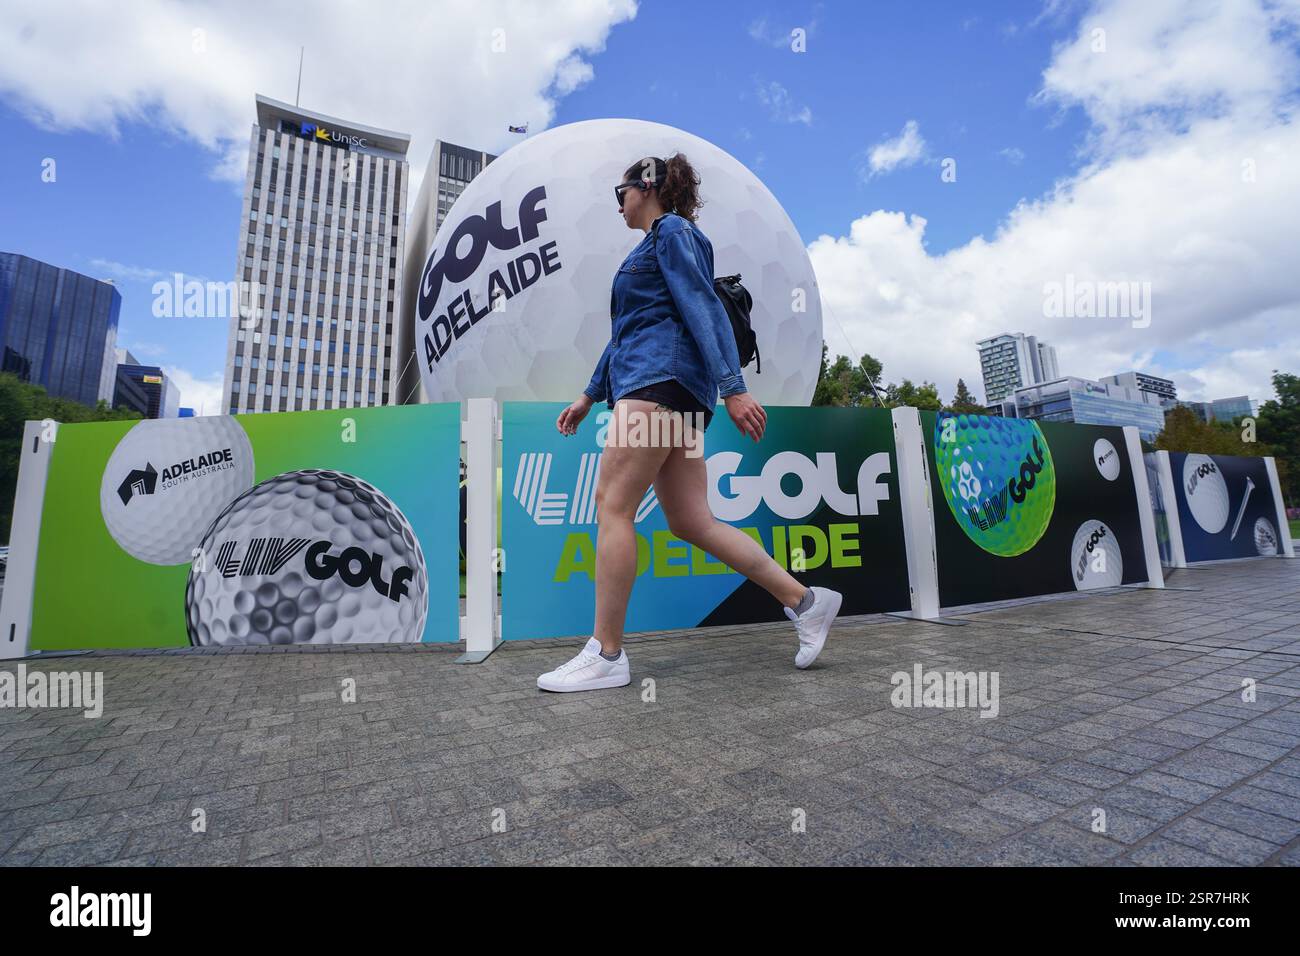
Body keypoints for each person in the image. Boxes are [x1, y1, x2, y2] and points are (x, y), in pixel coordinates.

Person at [536, 154, 842, 693]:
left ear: (647, 184)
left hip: (657, 386)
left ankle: (606, 654)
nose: (619, 203)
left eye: (621, 191)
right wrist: (588, 396)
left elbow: (703, 305)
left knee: (612, 505)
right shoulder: (652, 245)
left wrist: (735, 387)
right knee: (692, 521)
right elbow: (627, 333)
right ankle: (806, 601)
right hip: (670, 391)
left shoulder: (674, 231)